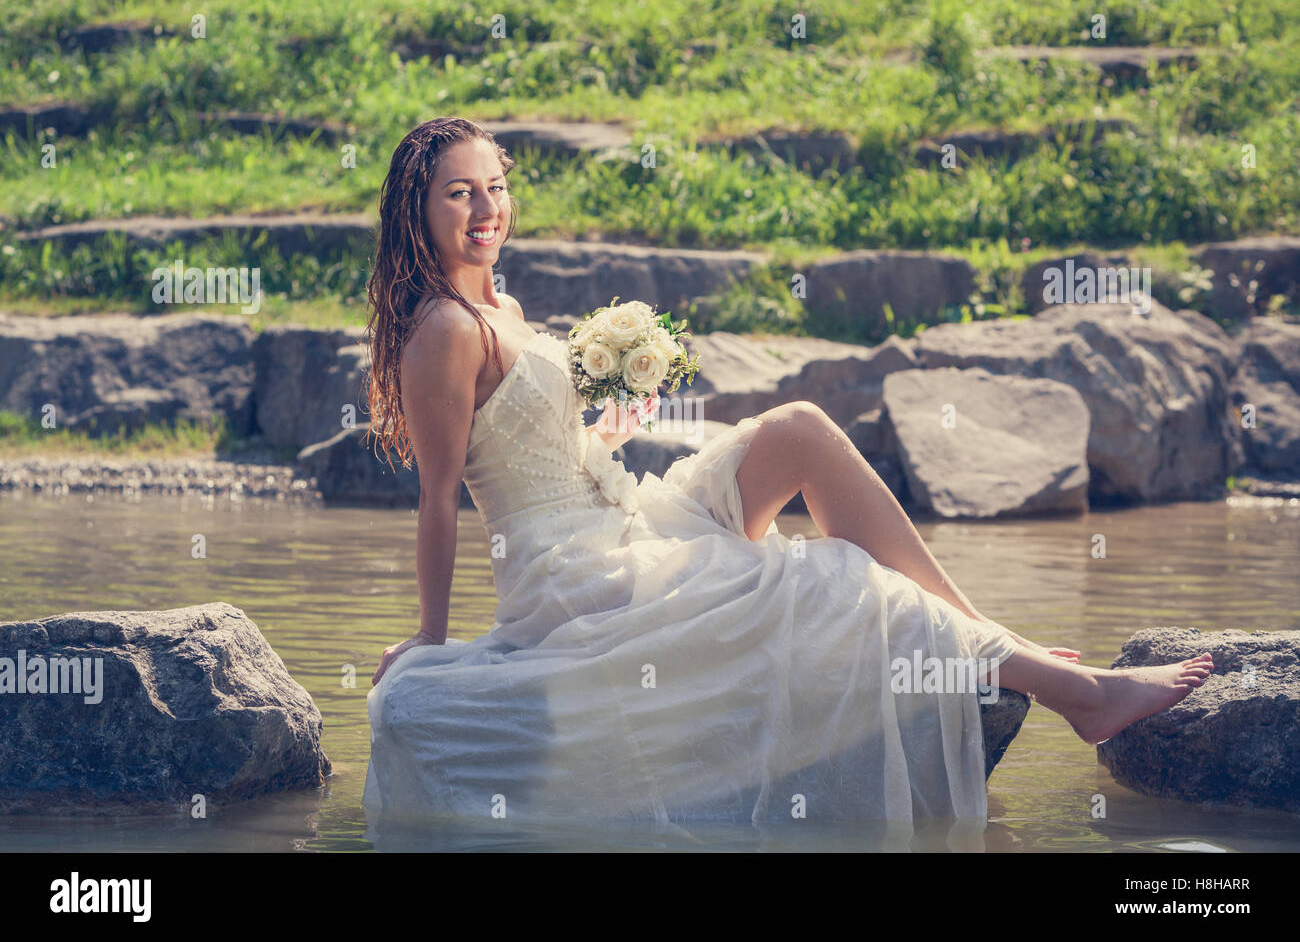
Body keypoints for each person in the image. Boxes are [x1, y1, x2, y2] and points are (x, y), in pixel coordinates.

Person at [360, 117, 1213, 827]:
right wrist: (432, 642)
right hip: (577, 576)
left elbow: (532, 445)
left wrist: (607, 431)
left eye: (494, 187)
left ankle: (987, 636)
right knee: (829, 579)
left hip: (624, 517)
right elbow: (439, 497)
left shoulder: (501, 305)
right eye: (459, 192)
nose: (485, 208)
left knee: (800, 429)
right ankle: (1077, 691)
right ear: (418, 208)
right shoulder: (441, 330)